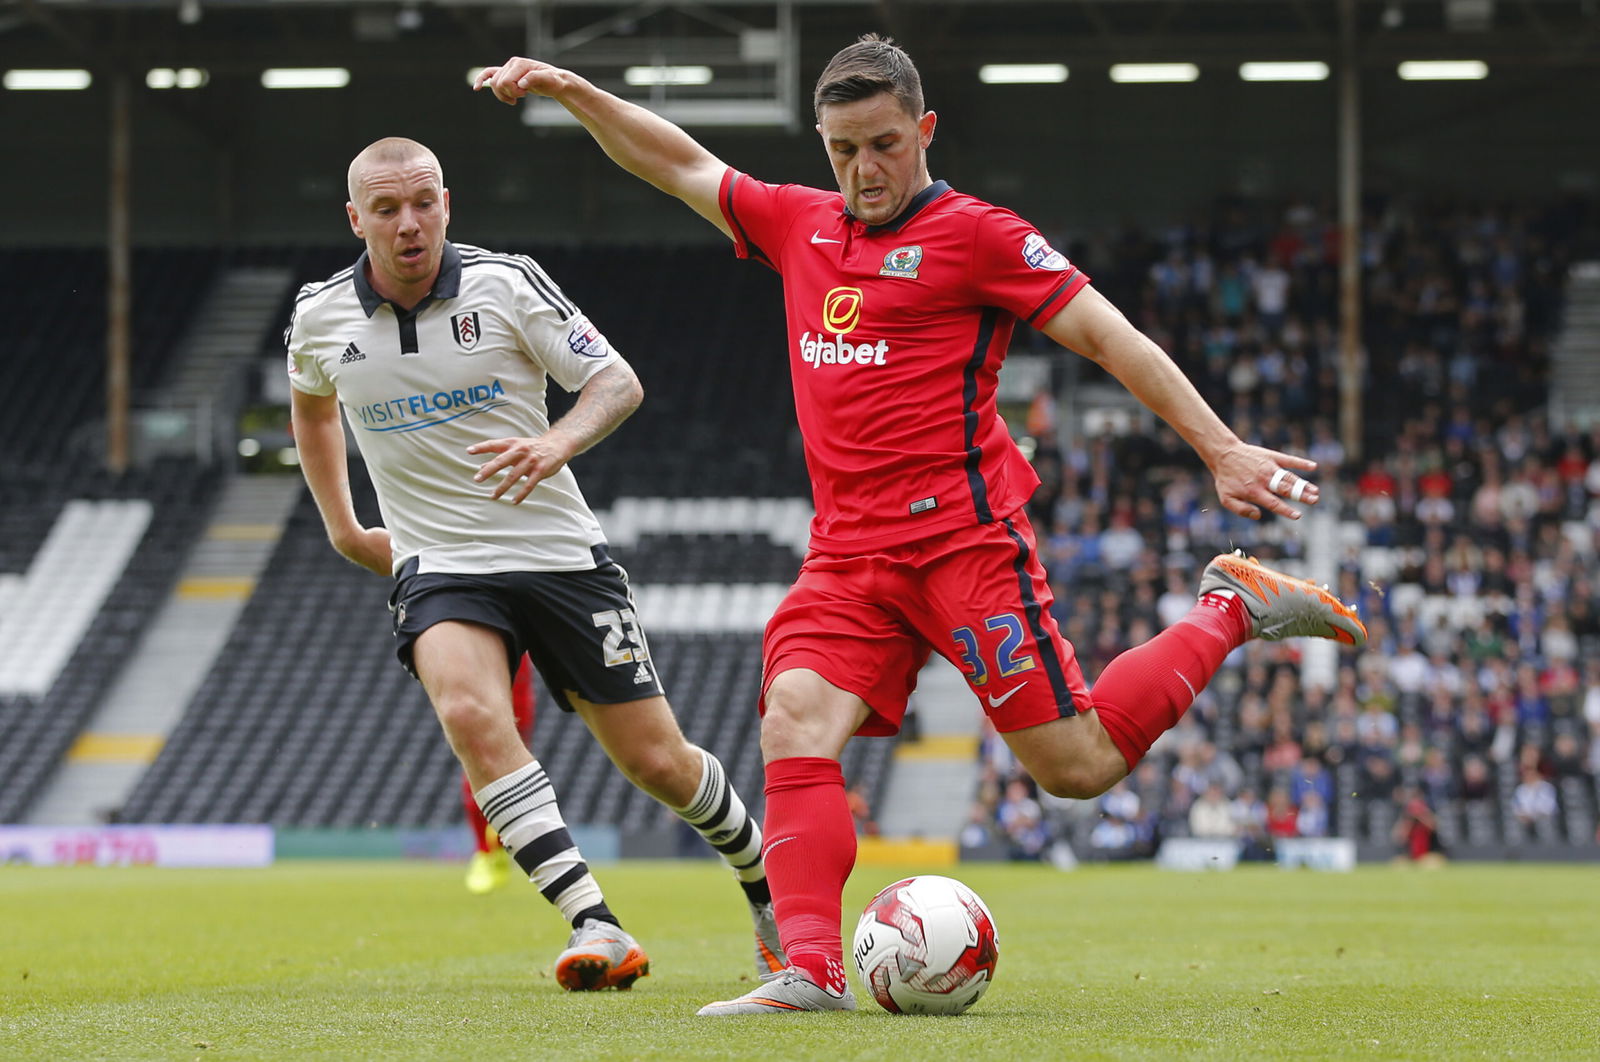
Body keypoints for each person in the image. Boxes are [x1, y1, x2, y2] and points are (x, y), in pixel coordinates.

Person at [476, 36, 1367, 1015]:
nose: (864, 171)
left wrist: (1220, 446)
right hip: (847, 557)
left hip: (963, 547)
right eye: (843, 149)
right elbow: (679, 161)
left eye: (884, 145)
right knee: (792, 721)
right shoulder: (798, 223)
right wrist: (569, 88)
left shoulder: (980, 236)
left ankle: (1230, 607)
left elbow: (1106, 334)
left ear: (924, 130)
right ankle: (809, 969)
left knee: (1076, 768)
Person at [285, 137, 784, 991]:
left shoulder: (505, 283)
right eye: (388, 209)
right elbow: (313, 406)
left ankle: (768, 891)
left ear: (448, 199)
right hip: (440, 560)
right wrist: (342, 524)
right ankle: (596, 921)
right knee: (472, 712)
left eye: (425, 203)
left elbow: (616, 382)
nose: (411, 225)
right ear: (355, 218)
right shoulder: (321, 315)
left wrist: (556, 440)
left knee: (658, 763)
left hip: (558, 556)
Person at [464, 654, 536, 894]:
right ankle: (487, 851)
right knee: (475, 771)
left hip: (513, 691)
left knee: (511, 769)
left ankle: (500, 844)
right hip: (475, 684)